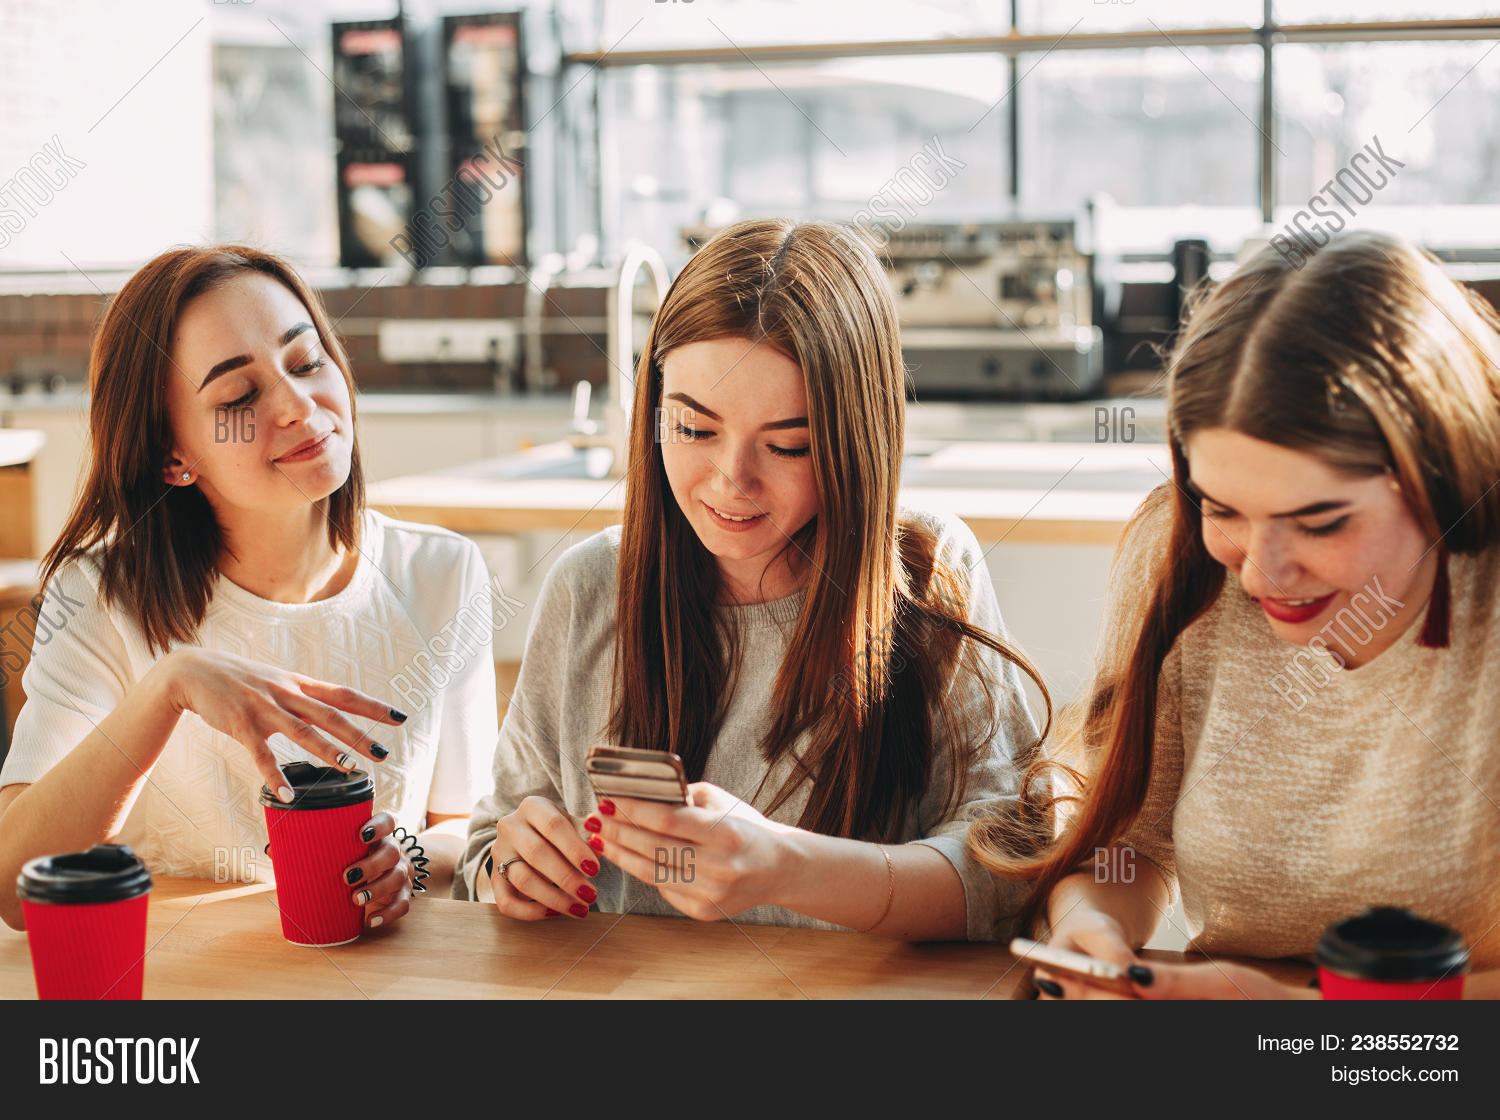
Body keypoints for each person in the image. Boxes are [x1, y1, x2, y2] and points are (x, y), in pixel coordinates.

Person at [455, 218, 1051, 940]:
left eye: (788, 444)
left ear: (854, 442)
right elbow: (487, 844)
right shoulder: (589, 589)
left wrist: (791, 867)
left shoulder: (926, 572)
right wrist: (509, 869)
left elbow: (1009, 869)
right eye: (694, 430)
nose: (731, 482)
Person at [971, 230, 1500, 998]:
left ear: (1440, 469)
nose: (1261, 570)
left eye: (1320, 523)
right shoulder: (1178, 559)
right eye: (1224, 510)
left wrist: (1299, 1017)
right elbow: (1132, 846)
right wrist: (1093, 926)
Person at [0, 245, 493, 931]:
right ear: (173, 456)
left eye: (306, 362)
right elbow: (13, 887)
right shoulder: (99, 596)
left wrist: (402, 857)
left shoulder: (441, 572)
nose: (299, 406)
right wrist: (167, 687)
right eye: (239, 396)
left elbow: (465, 821)